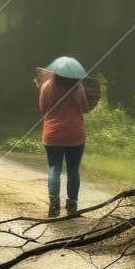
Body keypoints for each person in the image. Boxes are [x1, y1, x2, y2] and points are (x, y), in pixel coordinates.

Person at [36, 55, 89, 217]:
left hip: (53, 134)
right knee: (73, 170)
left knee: (54, 168)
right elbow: (85, 108)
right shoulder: (78, 87)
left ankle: (54, 207)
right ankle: (72, 207)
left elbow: (42, 109)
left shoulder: (47, 86)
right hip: (75, 134)